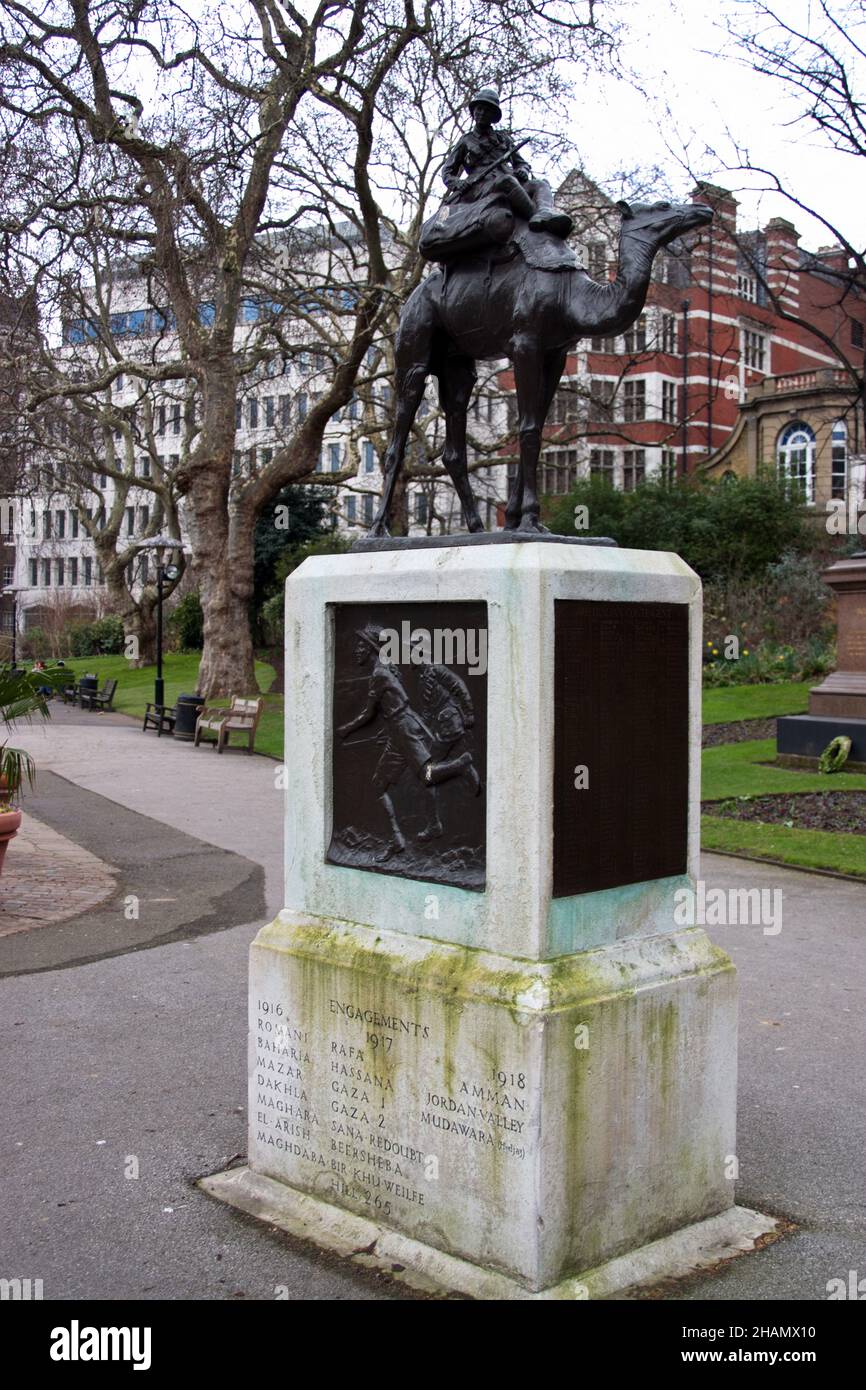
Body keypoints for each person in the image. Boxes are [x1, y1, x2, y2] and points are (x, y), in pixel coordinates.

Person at [440, 86, 573, 240]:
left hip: (510, 181)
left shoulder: (503, 138)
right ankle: (539, 221)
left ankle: (544, 213)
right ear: (474, 111)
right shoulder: (465, 141)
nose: (481, 113)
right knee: (507, 181)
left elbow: (521, 163)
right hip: (480, 187)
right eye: (479, 109)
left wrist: (523, 170)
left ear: (493, 115)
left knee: (540, 184)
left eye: (487, 110)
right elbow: (447, 172)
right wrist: (457, 183)